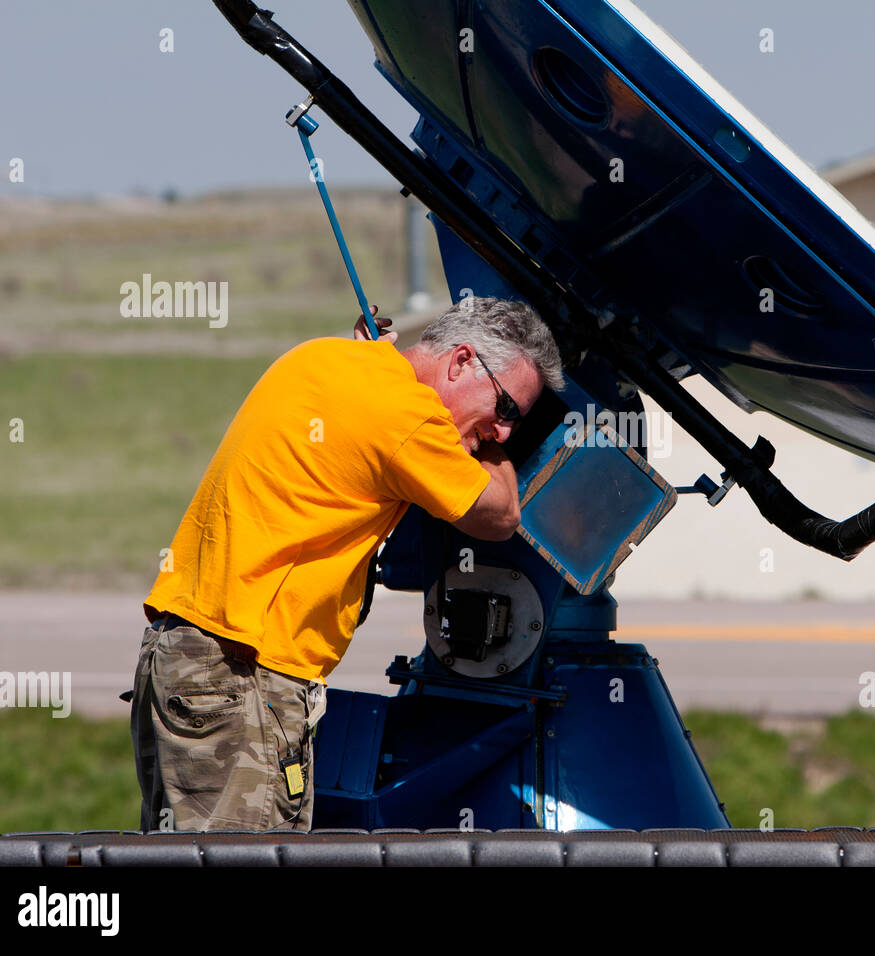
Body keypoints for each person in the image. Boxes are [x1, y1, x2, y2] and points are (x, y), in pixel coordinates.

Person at [129, 297, 564, 832]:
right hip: (244, 678)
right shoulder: (405, 415)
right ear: (462, 361)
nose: (502, 431)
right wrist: (496, 457)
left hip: (185, 660)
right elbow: (498, 515)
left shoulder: (322, 359)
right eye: (507, 410)